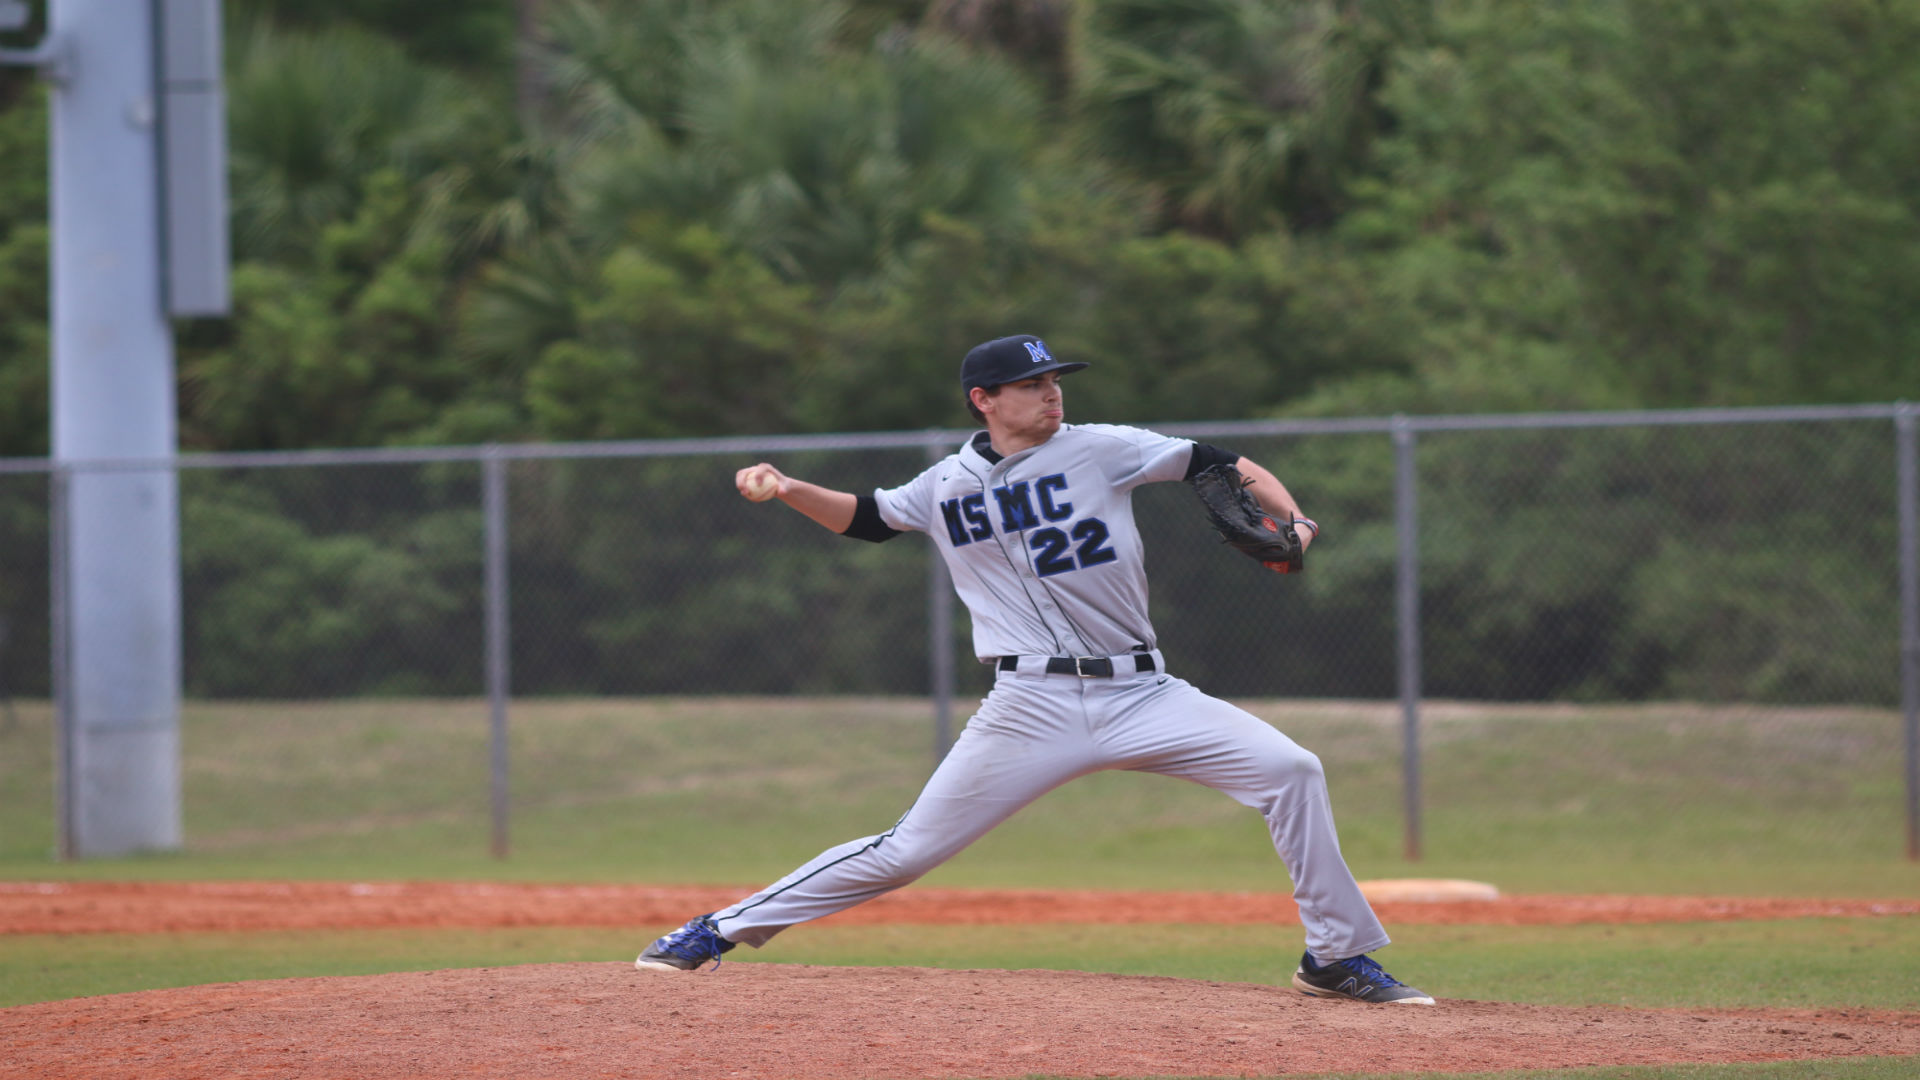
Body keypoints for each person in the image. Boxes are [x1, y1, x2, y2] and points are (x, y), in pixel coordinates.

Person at [635, 334, 1432, 1005]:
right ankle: (716, 930)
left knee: (1292, 769)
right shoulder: (945, 483)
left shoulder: (1103, 448)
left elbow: (1222, 464)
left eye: (1055, 381)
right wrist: (787, 489)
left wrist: (1292, 523)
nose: (1052, 394)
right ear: (984, 398)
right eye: (1032, 384)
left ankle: (1332, 957)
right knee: (907, 851)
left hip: (1141, 690)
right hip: (1029, 704)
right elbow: (871, 519)